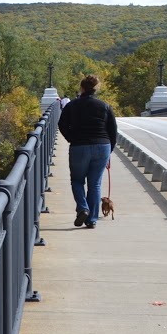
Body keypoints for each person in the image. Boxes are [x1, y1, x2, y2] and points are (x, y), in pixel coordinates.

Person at [60, 74, 117, 229]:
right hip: (102, 146)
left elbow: (62, 124)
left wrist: (72, 138)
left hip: (79, 146)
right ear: (96, 88)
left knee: (77, 180)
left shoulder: (71, 106)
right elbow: (113, 131)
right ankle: (91, 219)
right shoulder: (104, 106)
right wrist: (108, 152)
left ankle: (83, 207)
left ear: (82, 88)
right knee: (95, 185)